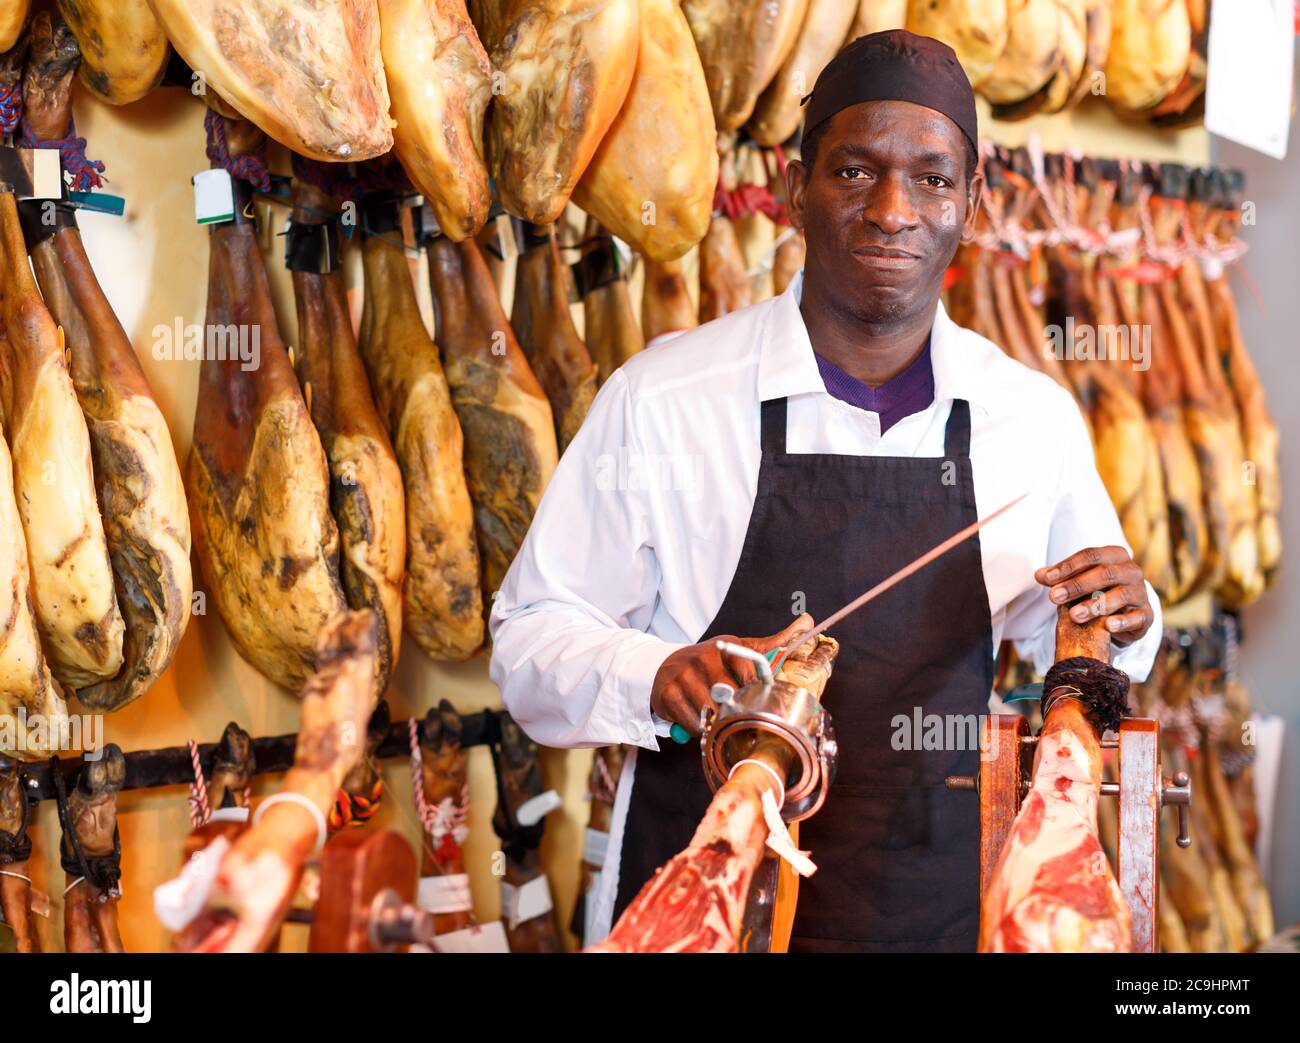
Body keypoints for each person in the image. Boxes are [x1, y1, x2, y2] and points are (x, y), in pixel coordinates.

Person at [489, 29, 1160, 952]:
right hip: (704, 895)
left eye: (931, 178)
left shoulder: (1028, 418)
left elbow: (1092, 645)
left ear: (971, 203)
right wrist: (657, 673)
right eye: (855, 171)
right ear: (799, 189)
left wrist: (1130, 613)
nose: (893, 209)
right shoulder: (663, 397)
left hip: (938, 903)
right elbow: (527, 643)